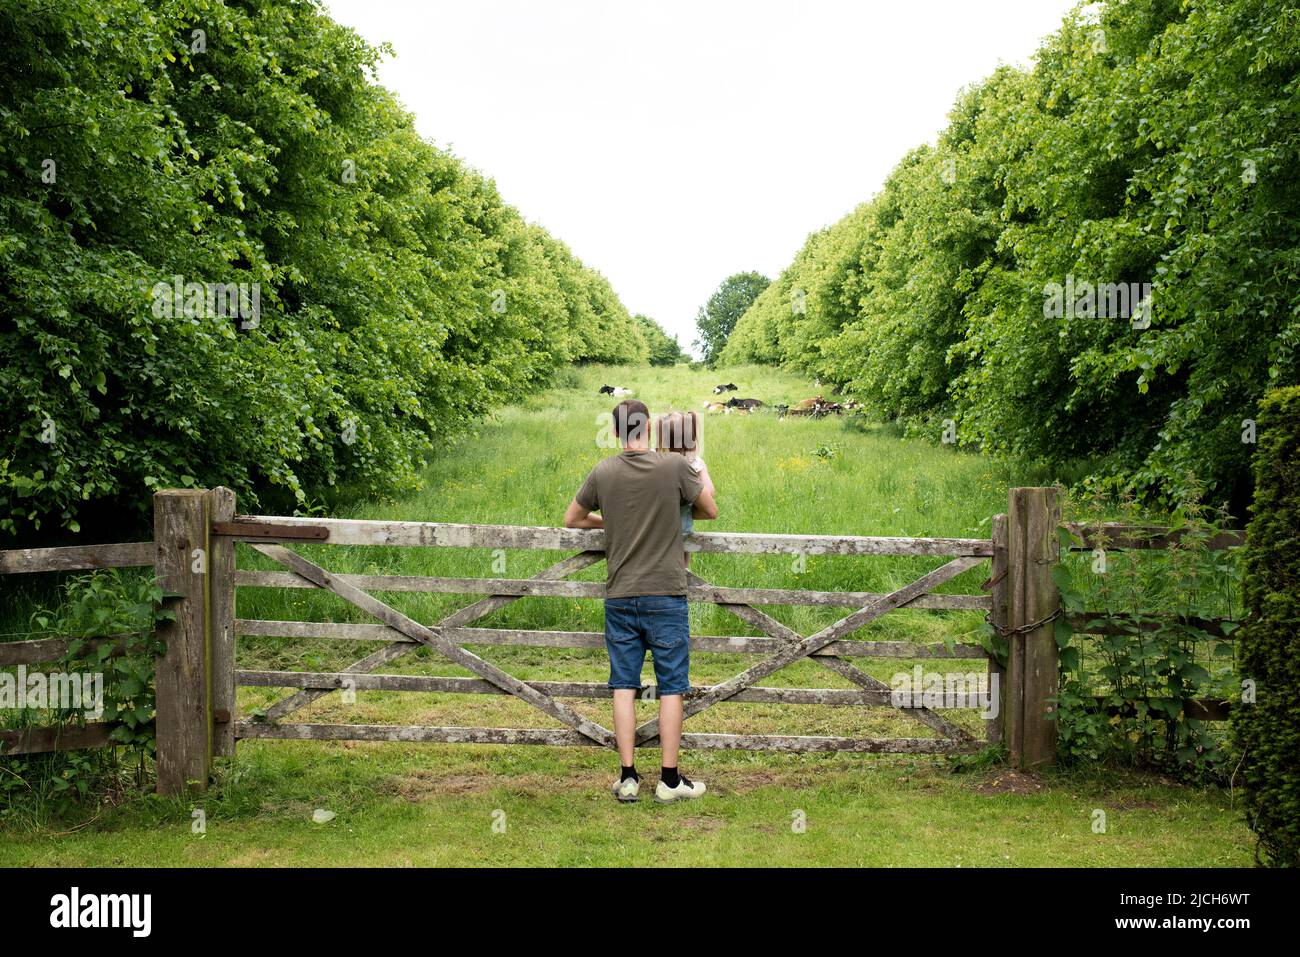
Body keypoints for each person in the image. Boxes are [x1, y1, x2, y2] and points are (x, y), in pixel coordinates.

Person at [564, 399, 718, 804]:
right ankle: (669, 780)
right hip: (666, 592)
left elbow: (573, 519)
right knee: (671, 687)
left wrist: (612, 519)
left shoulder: (603, 471)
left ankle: (628, 777)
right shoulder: (674, 468)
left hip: (620, 594)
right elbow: (708, 509)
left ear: (615, 431)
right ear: (648, 427)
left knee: (624, 685)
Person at [655, 410, 715, 566]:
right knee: (682, 564)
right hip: (681, 529)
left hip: (653, 529)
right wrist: (703, 469)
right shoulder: (694, 463)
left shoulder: (653, 459)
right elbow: (709, 493)